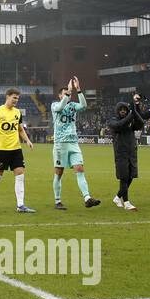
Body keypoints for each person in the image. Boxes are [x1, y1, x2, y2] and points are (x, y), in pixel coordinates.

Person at [0, 87, 36, 213]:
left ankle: (20, 205)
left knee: (20, 174)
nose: (16, 100)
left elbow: (20, 129)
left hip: (16, 149)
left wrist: (27, 141)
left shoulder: (17, 112)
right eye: (14, 97)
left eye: (17, 98)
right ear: (8, 96)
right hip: (2, 150)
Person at [51, 76, 100, 209]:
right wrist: (68, 92)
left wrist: (78, 90)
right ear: (59, 95)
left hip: (73, 143)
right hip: (60, 143)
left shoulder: (72, 105)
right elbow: (61, 106)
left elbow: (84, 105)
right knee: (59, 172)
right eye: (65, 93)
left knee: (80, 169)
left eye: (69, 93)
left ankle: (87, 198)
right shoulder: (54, 105)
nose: (68, 94)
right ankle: (57, 201)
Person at [108, 96, 145, 211]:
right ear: (117, 111)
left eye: (125, 109)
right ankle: (127, 202)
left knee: (131, 176)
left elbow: (141, 123)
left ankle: (117, 197)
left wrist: (133, 110)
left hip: (131, 153)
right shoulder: (113, 121)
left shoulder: (130, 121)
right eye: (121, 109)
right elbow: (120, 125)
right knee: (124, 178)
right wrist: (131, 114)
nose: (123, 111)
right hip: (121, 154)